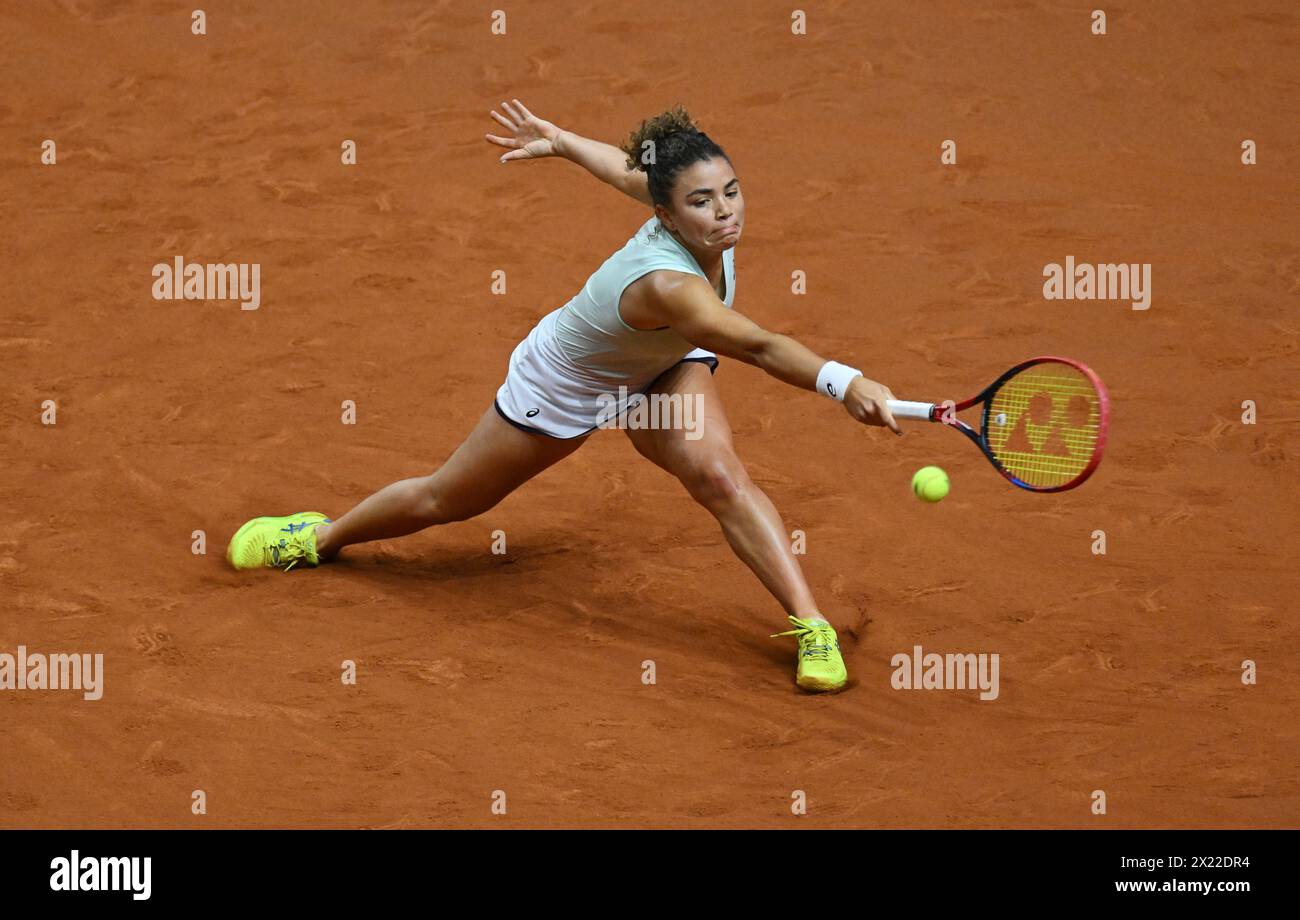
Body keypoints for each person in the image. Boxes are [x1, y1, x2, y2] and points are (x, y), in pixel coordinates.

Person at [227, 100, 901, 692]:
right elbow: (754, 344)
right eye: (703, 201)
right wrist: (845, 383)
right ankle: (320, 537)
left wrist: (563, 142)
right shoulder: (669, 284)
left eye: (731, 191)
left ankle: (811, 626)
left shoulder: (680, 209)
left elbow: (619, 169)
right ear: (666, 212)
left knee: (720, 475)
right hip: (567, 386)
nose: (724, 212)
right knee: (448, 500)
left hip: (659, 369)